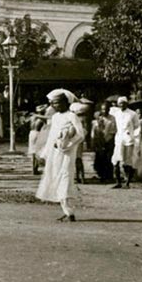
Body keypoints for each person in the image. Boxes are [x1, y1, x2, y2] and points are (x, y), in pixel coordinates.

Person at [36, 92, 85, 221]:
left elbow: (80, 135)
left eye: (57, 103)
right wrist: (44, 154)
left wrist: (67, 145)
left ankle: (70, 212)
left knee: (65, 179)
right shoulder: (55, 117)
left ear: (65, 103)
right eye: (53, 103)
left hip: (67, 154)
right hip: (55, 154)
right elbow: (51, 137)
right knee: (57, 179)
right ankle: (67, 211)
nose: (54, 105)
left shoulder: (72, 116)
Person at [109, 97, 139, 188]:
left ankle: (127, 182)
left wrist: (132, 134)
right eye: (120, 103)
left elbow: (136, 126)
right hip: (119, 139)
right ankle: (118, 182)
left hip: (129, 139)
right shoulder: (116, 113)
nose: (122, 105)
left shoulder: (132, 114)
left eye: (123, 103)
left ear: (126, 104)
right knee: (116, 160)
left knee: (128, 161)